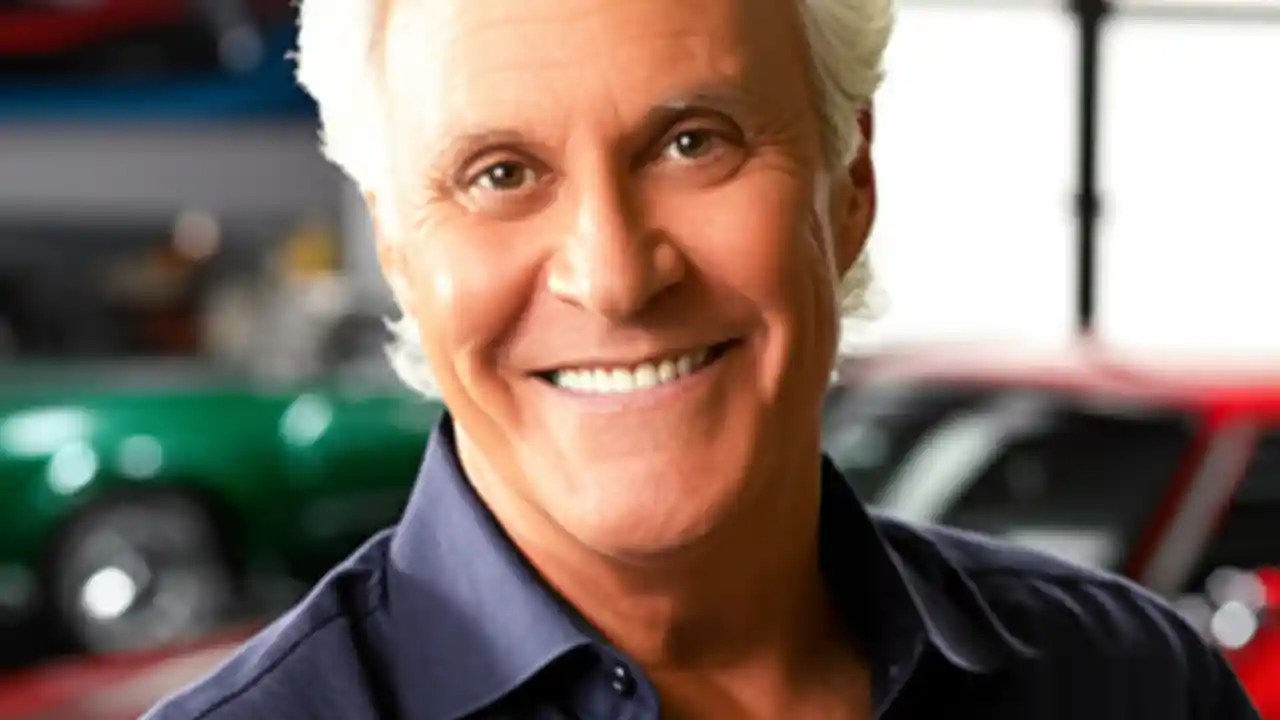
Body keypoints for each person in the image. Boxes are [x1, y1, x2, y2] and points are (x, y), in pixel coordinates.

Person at [147, 0, 1260, 718]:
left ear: (850, 177)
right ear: (394, 246)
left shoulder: (1132, 690)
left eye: (693, 143)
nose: (615, 276)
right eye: (498, 173)